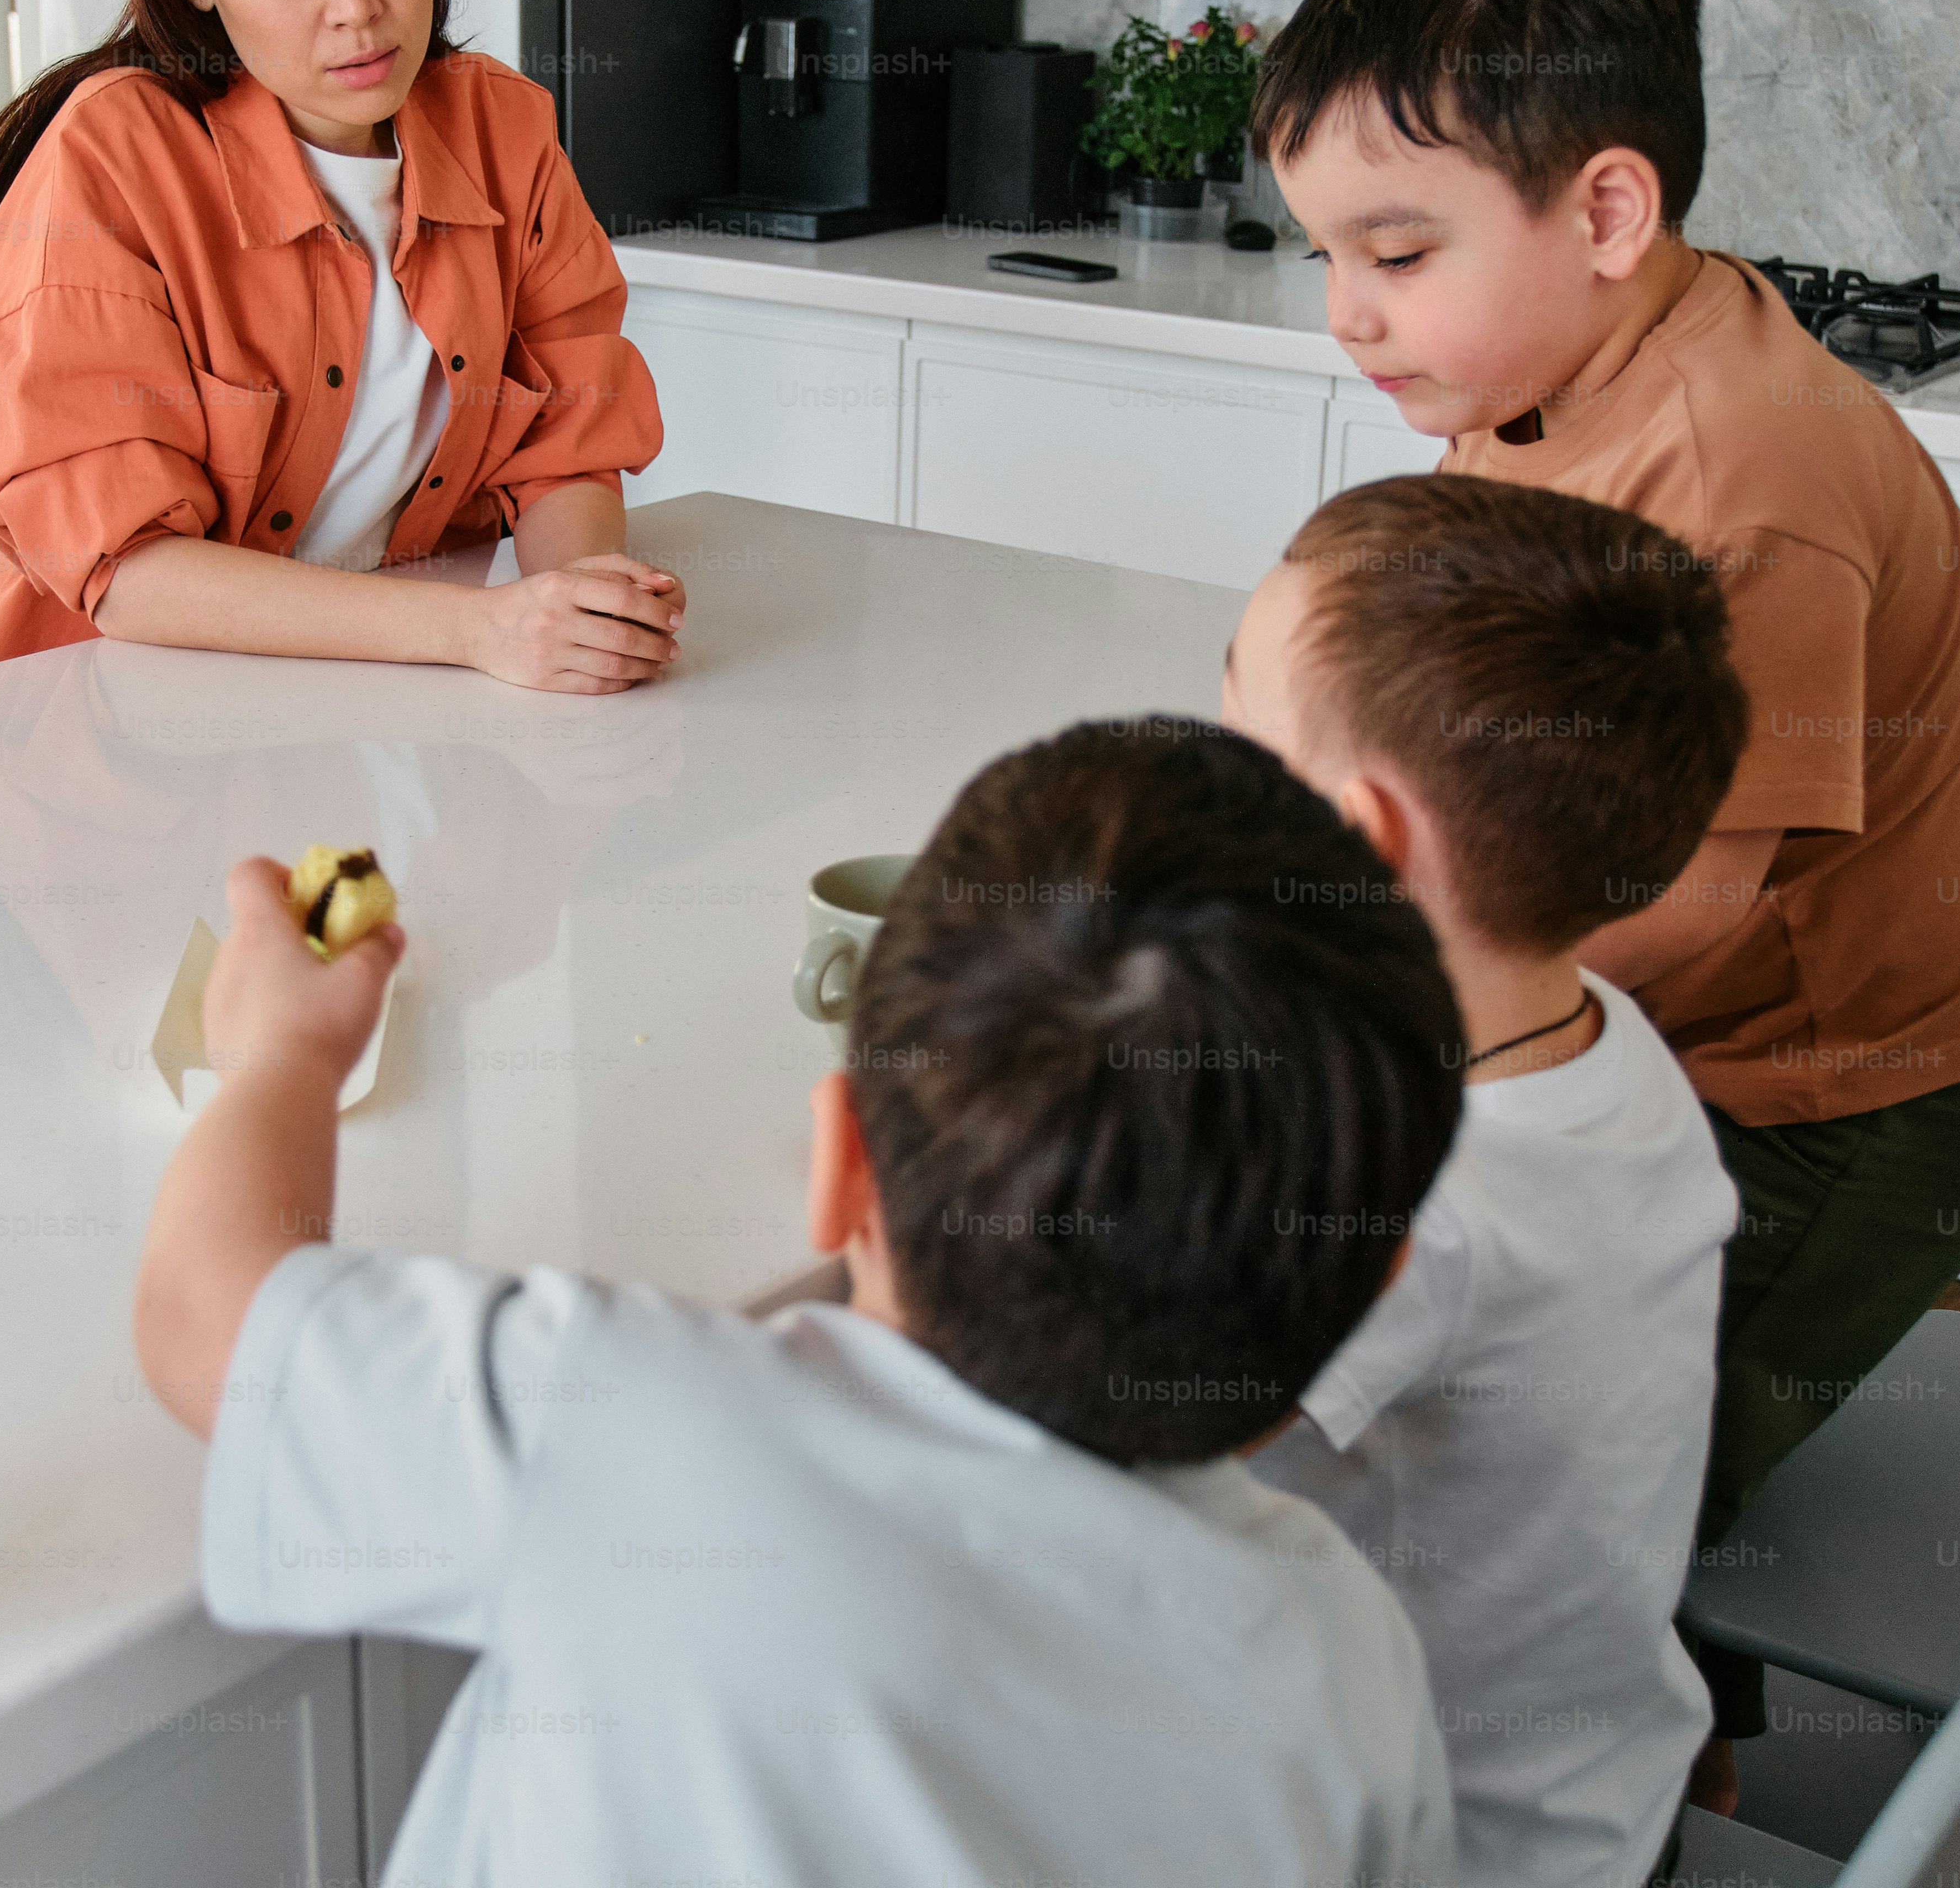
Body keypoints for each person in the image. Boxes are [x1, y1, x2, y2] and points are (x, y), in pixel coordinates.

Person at [1249, 0, 1960, 1798]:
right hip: (1713, 1028)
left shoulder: (1741, 481)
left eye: (1394, 249)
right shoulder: (1538, 372)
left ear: (1610, 213)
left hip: (1883, 1084)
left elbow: (1691, 891)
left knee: (1607, 1454)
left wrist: (1374, 1024)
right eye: (1325, 255)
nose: (1349, 312)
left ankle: (1651, 1798)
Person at [132, 722, 1466, 1885]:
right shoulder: (1354, 1658)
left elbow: (208, 1317)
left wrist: (285, 1052)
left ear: (840, 1172)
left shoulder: (635, 1429)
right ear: (1378, 1274)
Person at [0, 0, 682, 691]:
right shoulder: (113, 156)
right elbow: (132, 576)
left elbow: (568, 445)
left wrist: (580, 613)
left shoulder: (506, 129)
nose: (359, 6)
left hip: (391, 709)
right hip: (134, 734)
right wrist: (477, 631)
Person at [1223, 474, 1748, 1888]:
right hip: (1604, 1802)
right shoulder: (1596, 1034)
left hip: (1438, 1849)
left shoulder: (1417, 1215)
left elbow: (1099, 1462)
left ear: (1360, 838)